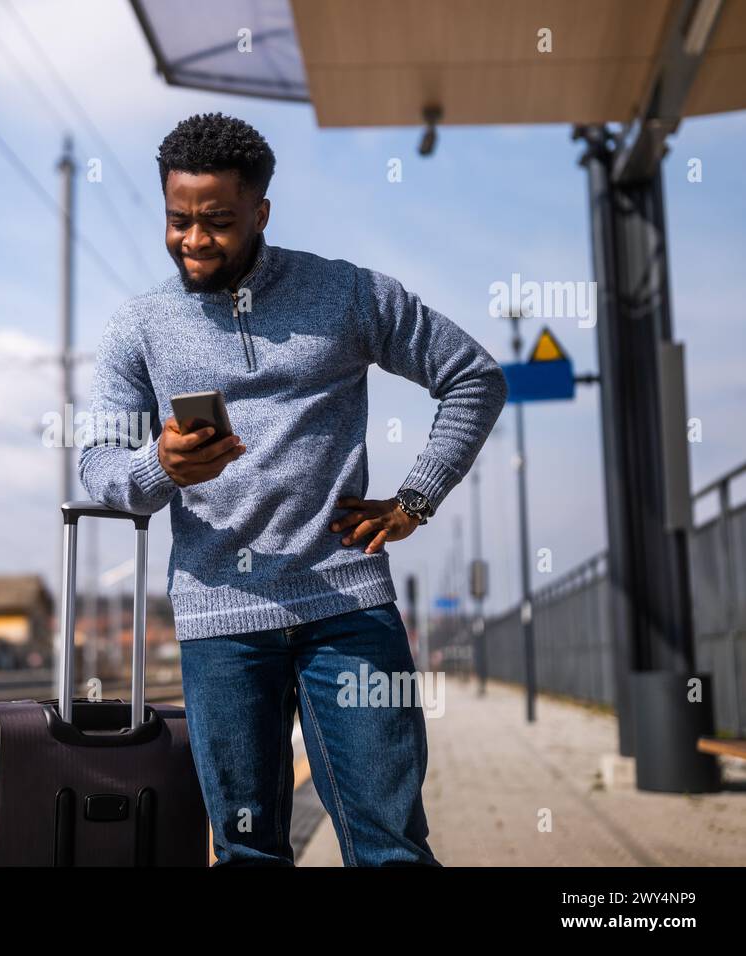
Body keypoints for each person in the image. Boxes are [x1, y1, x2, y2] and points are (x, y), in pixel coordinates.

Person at [78, 112, 508, 866]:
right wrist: (161, 467)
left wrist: (415, 500)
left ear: (261, 213)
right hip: (222, 622)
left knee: (392, 849)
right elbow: (98, 467)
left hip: (347, 607)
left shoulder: (346, 293)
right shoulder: (137, 328)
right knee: (248, 854)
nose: (195, 240)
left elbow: (474, 378)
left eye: (218, 221)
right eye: (179, 220)